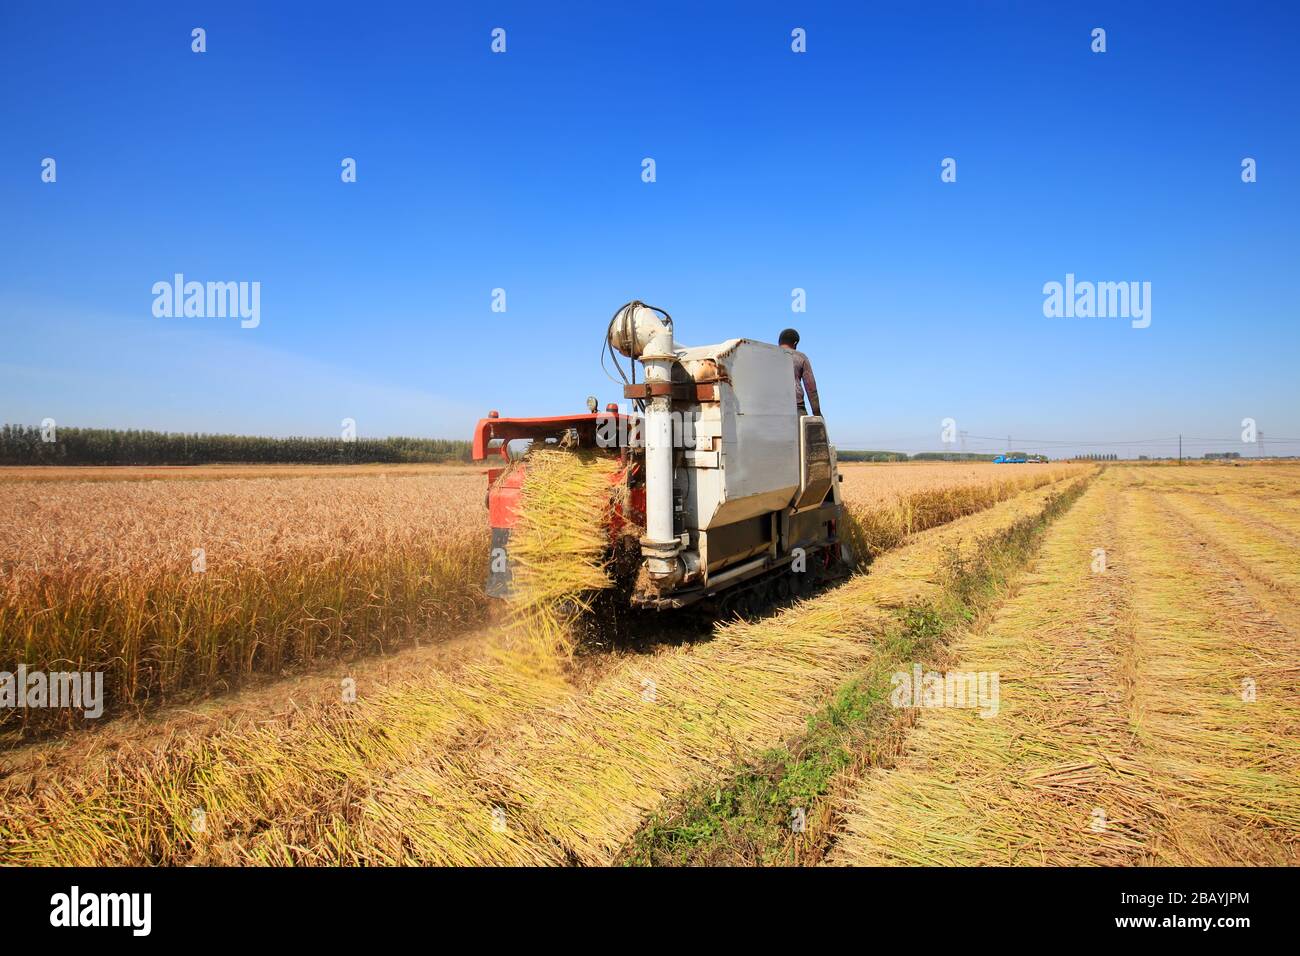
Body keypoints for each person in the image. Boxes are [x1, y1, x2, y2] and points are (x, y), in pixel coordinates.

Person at [778, 328, 821, 416]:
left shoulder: (768, 354)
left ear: (779, 342)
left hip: (771, 408)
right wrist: (817, 414)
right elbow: (811, 388)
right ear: (795, 343)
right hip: (796, 407)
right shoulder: (801, 357)